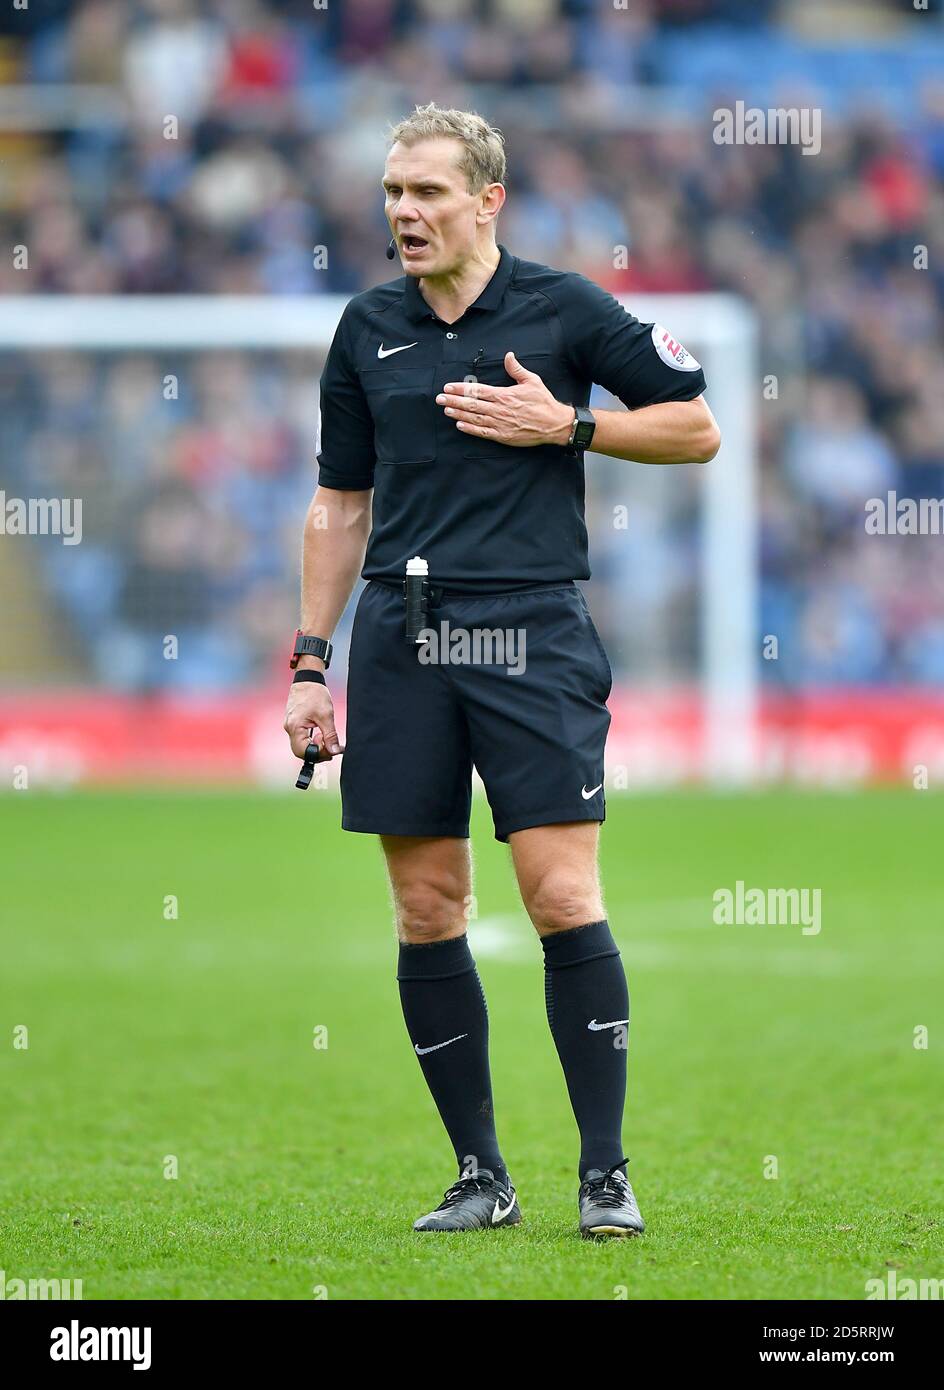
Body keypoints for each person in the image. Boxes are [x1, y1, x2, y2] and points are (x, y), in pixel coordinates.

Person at [284, 104, 719, 1238]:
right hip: (403, 635)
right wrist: (308, 663)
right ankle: (479, 1175)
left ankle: (603, 1172)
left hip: (531, 631)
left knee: (559, 894)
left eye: (427, 192)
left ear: (487, 202)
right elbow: (338, 505)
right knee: (427, 908)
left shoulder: (563, 308)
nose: (403, 213)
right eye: (391, 193)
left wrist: (563, 426)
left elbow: (694, 428)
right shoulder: (363, 327)